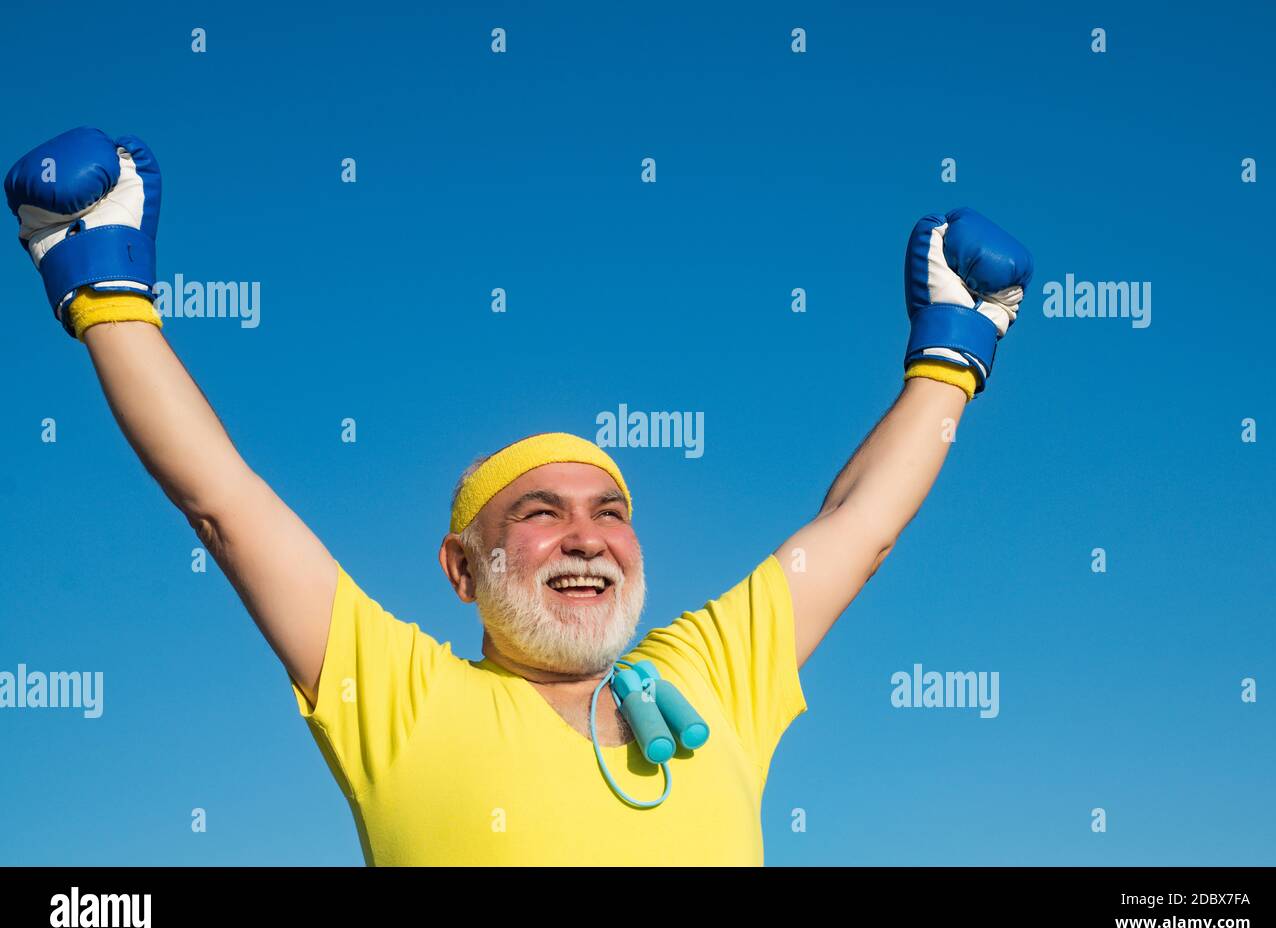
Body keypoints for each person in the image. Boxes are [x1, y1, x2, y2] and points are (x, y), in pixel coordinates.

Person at [4, 126, 1032, 865]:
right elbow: (221, 499)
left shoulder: (711, 673)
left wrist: (950, 357)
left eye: (610, 513)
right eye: (539, 515)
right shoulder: (401, 697)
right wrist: (105, 291)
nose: (586, 539)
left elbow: (862, 526)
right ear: (461, 568)